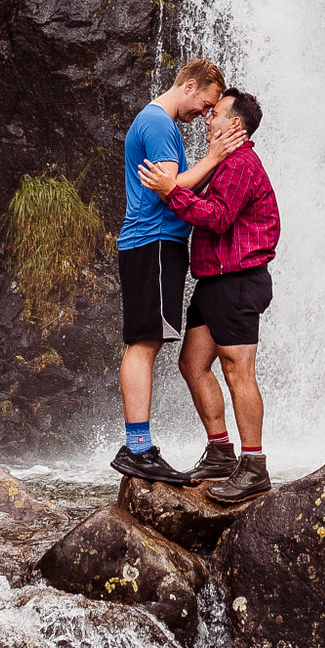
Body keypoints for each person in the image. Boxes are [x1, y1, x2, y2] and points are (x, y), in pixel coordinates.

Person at [139, 87, 279, 505]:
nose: (207, 118)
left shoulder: (241, 163)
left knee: (239, 371)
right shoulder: (223, 164)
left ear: (234, 124)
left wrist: (170, 190)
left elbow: (217, 218)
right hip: (215, 280)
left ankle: (254, 467)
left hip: (239, 279)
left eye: (214, 113)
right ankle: (220, 452)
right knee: (193, 364)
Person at [112, 57, 237, 482]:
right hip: (154, 242)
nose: (205, 112)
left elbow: (174, 184)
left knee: (144, 341)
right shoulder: (161, 124)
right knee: (145, 344)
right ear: (189, 87)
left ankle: (138, 445)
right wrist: (217, 155)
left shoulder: (151, 121)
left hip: (148, 243)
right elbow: (171, 188)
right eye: (206, 103)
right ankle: (138, 448)